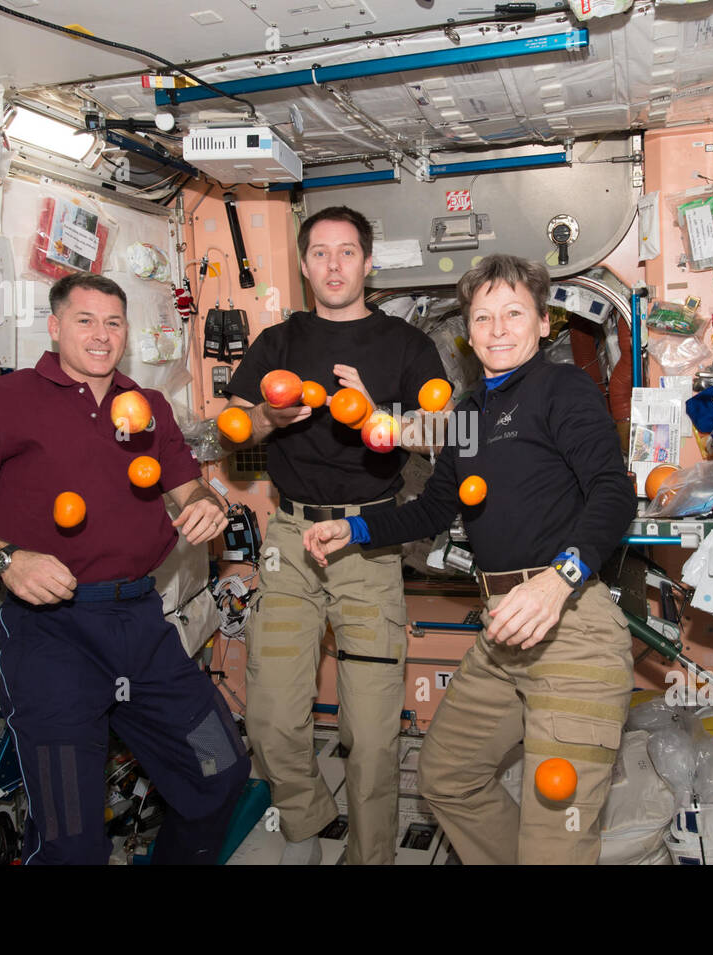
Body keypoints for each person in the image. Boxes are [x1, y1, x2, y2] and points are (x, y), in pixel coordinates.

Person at [302, 254, 637, 864]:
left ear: (543, 323)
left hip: (573, 629)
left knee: (556, 840)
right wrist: (352, 527)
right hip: (504, 632)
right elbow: (432, 510)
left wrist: (557, 582)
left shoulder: (564, 389)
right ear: (468, 332)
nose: (499, 329)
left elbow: (615, 493)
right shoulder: (469, 413)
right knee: (447, 777)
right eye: (483, 317)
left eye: (514, 313)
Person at [0, 272, 248, 865]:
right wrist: (3, 557)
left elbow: (192, 492)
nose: (101, 335)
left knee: (219, 767)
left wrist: (207, 510)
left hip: (140, 624)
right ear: (55, 326)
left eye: (114, 323)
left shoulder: (148, 407)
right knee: (71, 838)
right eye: (85, 320)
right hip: (51, 635)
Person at [222, 206, 447, 865]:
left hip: (368, 538)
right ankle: (308, 818)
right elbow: (233, 428)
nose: (333, 265)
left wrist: (384, 420)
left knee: (372, 730)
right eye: (319, 253)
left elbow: (444, 434)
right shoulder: (279, 342)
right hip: (289, 535)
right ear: (302, 264)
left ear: (368, 261)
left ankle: (371, 854)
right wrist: (269, 415)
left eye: (347, 251)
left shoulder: (406, 346)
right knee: (268, 711)